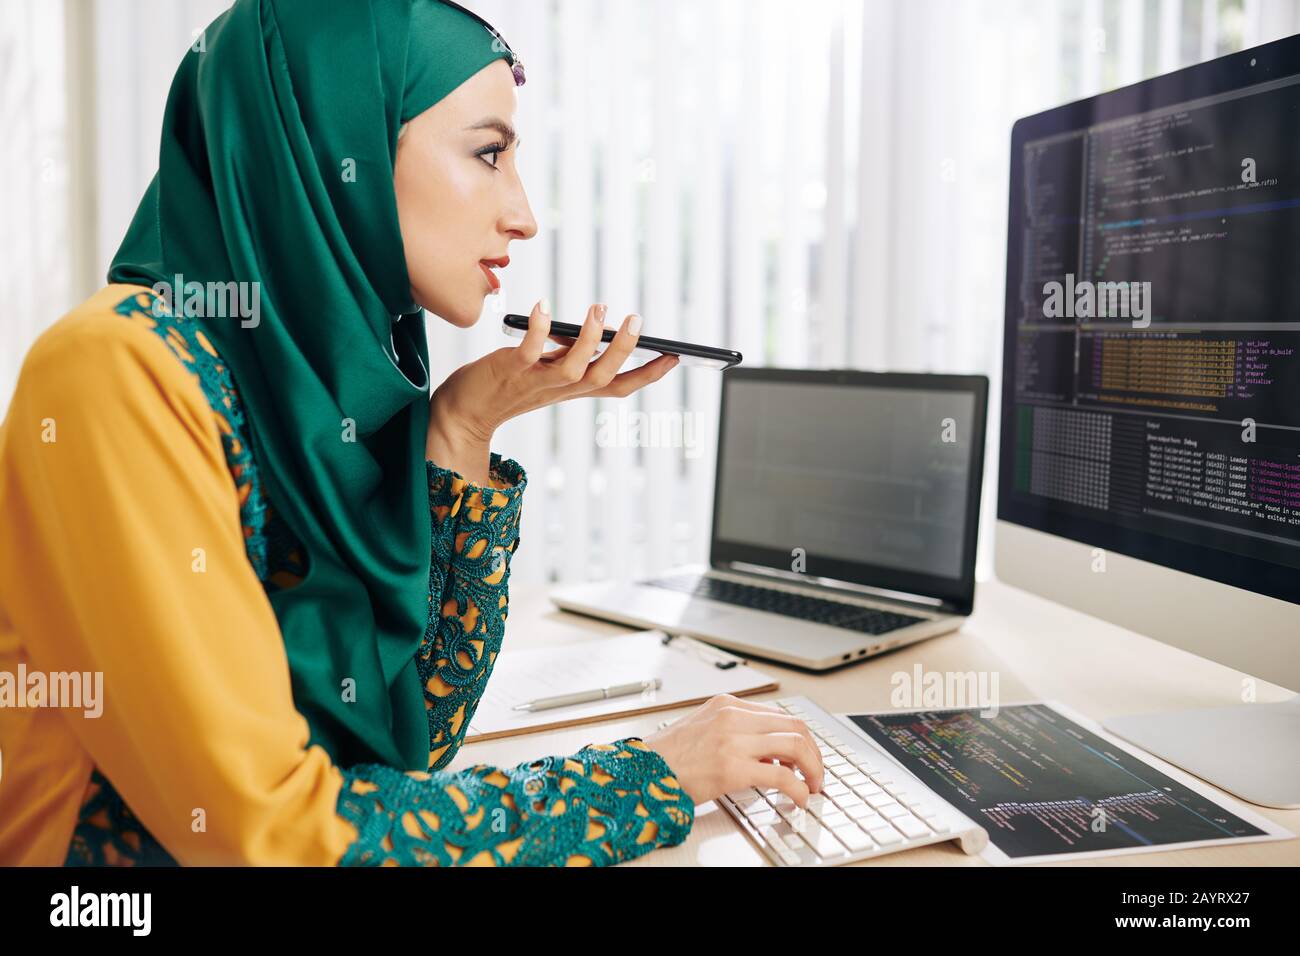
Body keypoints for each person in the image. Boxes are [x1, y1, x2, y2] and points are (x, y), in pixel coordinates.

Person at [0, 0, 822, 867]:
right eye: (488, 154)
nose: (523, 215)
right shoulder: (115, 375)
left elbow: (412, 739)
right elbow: (275, 840)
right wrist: (652, 775)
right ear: (331, 147)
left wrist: (464, 427)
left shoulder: (321, 376)